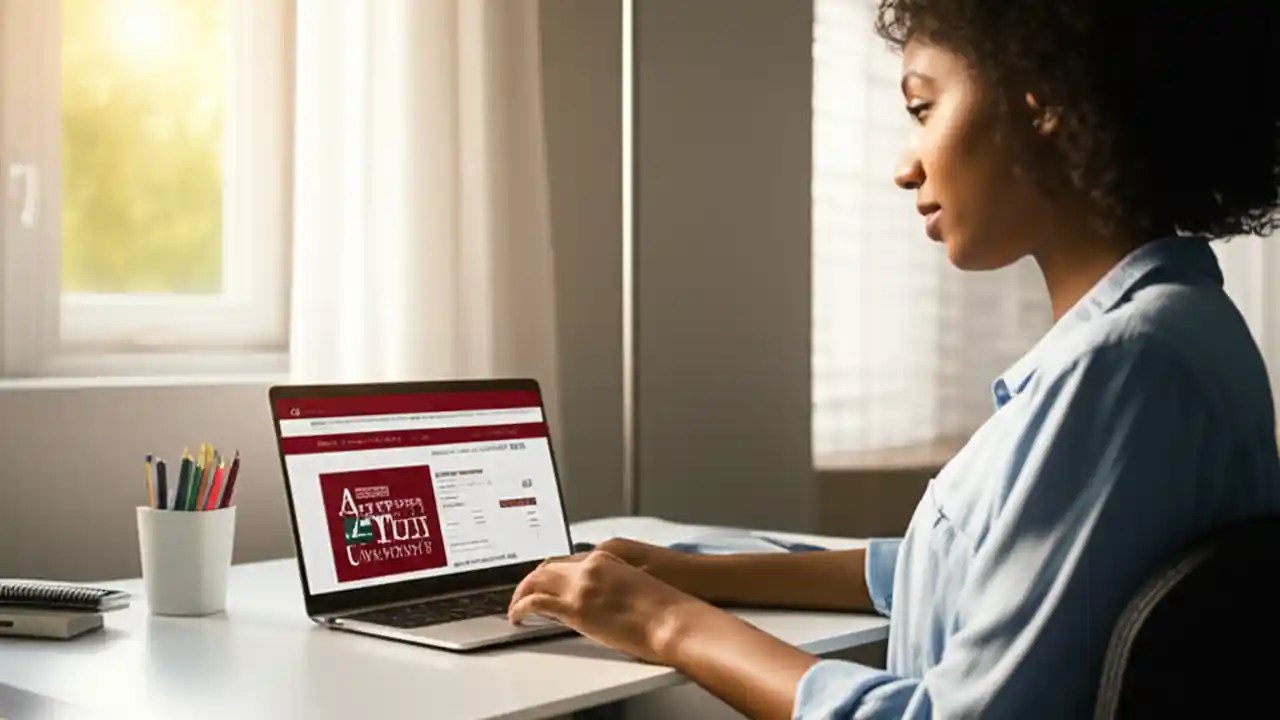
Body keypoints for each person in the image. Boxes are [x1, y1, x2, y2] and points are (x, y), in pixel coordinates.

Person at [507, 0, 1280, 717]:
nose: (906, 166)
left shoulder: (1123, 367)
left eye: (923, 108)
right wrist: (703, 573)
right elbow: (961, 563)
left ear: (1044, 98)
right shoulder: (1176, 330)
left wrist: (662, 622)